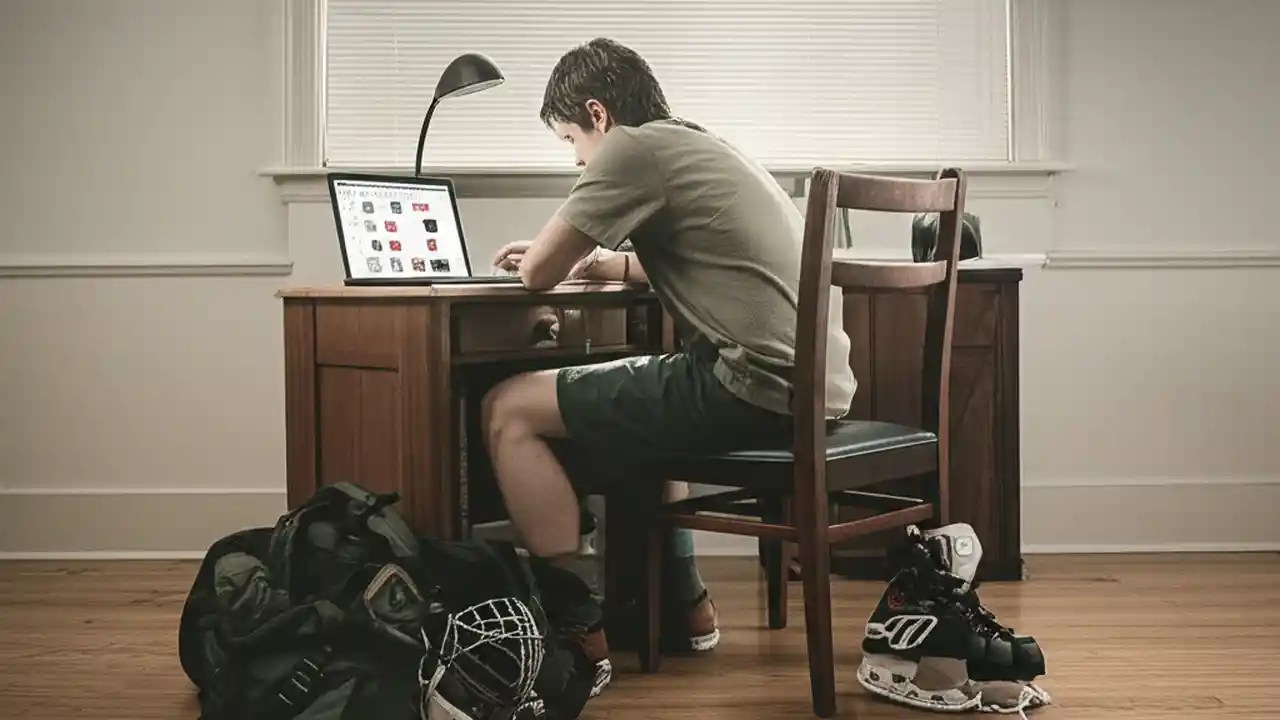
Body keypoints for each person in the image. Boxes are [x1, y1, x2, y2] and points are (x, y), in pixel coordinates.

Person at [482, 37, 856, 693]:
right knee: (641, 397)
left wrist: (550, 252)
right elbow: (704, 257)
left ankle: (578, 636)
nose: (576, 160)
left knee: (507, 408)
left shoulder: (631, 149)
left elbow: (540, 271)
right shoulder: (699, 144)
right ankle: (685, 610)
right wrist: (609, 262)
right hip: (814, 388)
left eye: (571, 140)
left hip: (753, 386)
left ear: (598, 115)